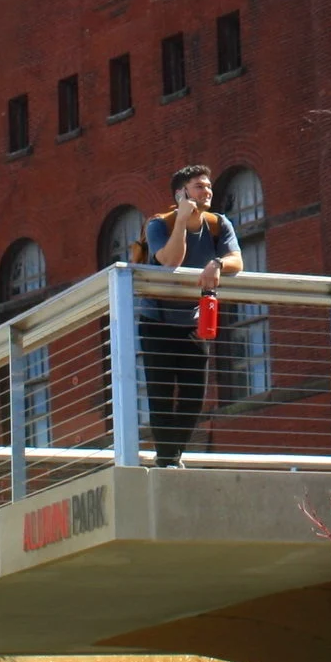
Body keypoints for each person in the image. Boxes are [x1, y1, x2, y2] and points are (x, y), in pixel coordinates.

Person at [136, 163, 243, 467]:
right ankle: (169, 460)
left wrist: (217, 264)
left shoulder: (218, 224)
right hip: (157, 321)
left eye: (208, 186)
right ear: (180, 193)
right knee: (161, 394)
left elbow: (238, 260)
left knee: (194, 398)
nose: (207, 191)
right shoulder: (159, 225)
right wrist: (182, 221)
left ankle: (169, 457)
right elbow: (170, 261)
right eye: (199, 186)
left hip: (194, 322)